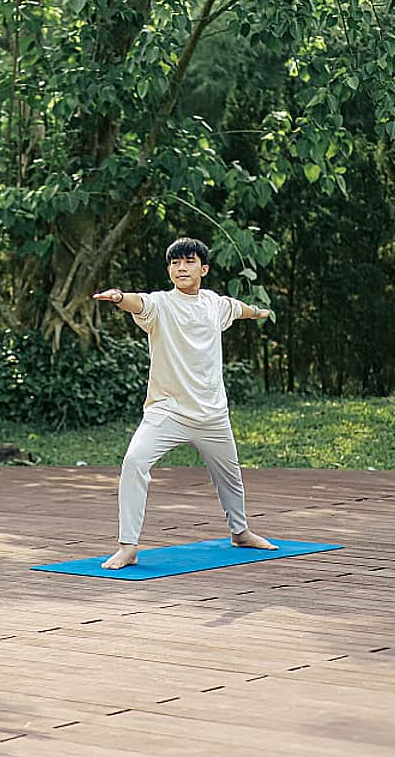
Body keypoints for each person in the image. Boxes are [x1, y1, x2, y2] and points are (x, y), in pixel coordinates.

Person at [92, 237, 277, 570]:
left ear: (203, 269)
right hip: (168, 411)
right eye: (175, 263)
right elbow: (139, 303)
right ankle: (128, 547)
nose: (181, 268)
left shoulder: (215, 304)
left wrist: (259, 312)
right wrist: (119, 297)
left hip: (212, 414)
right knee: (134, 462)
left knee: (230, 476)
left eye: (189, 261)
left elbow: (240, 308)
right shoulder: (161, 305)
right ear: (169, 270)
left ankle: (241, 532)